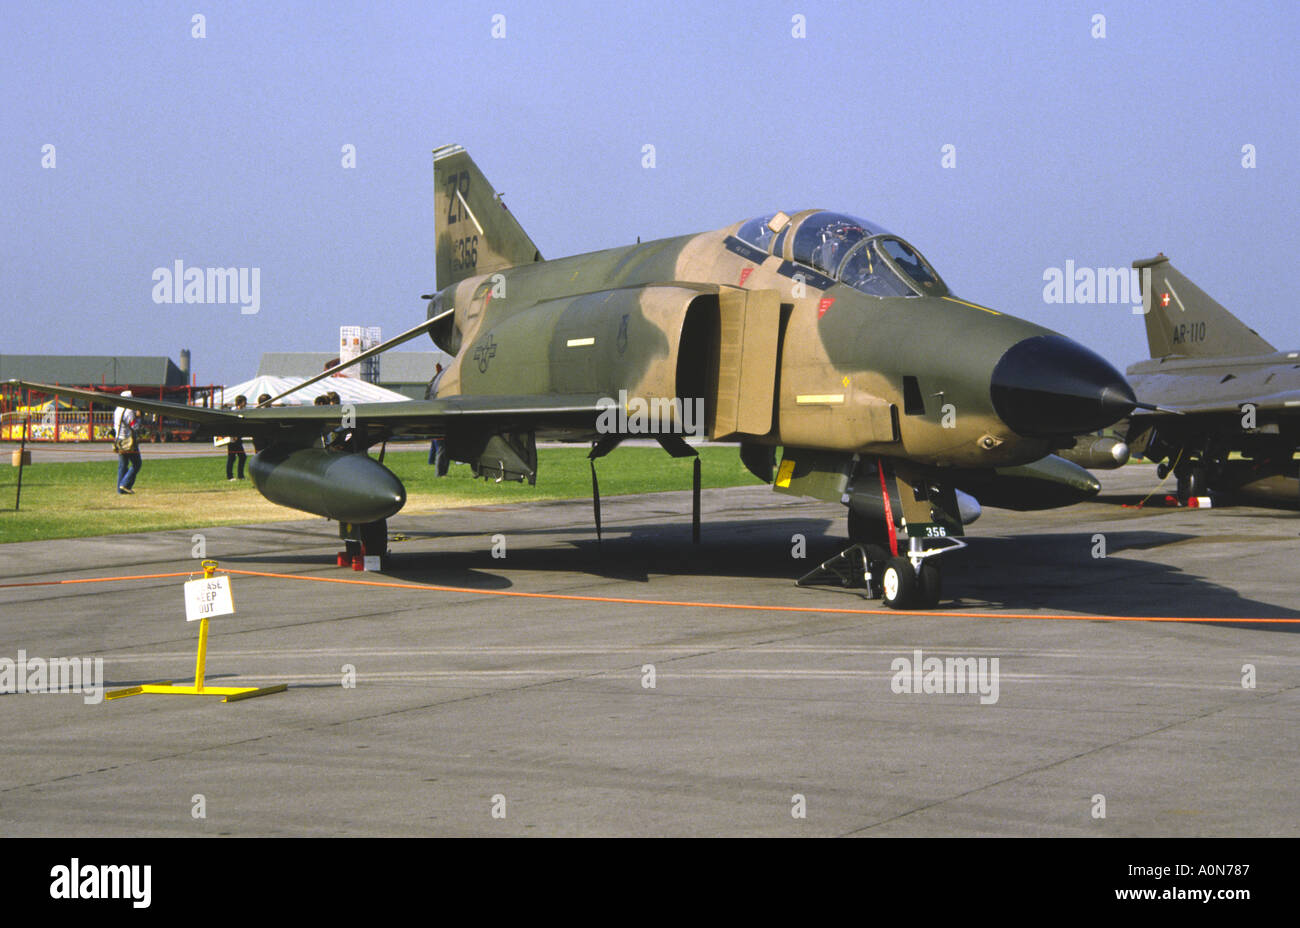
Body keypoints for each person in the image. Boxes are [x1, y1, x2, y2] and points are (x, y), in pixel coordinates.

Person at [113, 390, 142, 494]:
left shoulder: (117, 410)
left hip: (119, 440)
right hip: (128, 441)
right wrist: (138, 417)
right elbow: (135, 426)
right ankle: (125, 484)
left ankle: (120, 489)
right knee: (137, 463)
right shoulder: (129, 411)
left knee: (122, 465)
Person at [226, 395, 248, 480]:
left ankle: (240, 475)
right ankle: (230, 476)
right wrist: (233, 435)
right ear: (241, 402)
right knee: (232, 457)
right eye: (244, 401)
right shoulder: (234, 412)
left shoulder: (241, 411)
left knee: (242, 456)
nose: (245, 403)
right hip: (233, 438)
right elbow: (231, 425)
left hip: (238, 437)